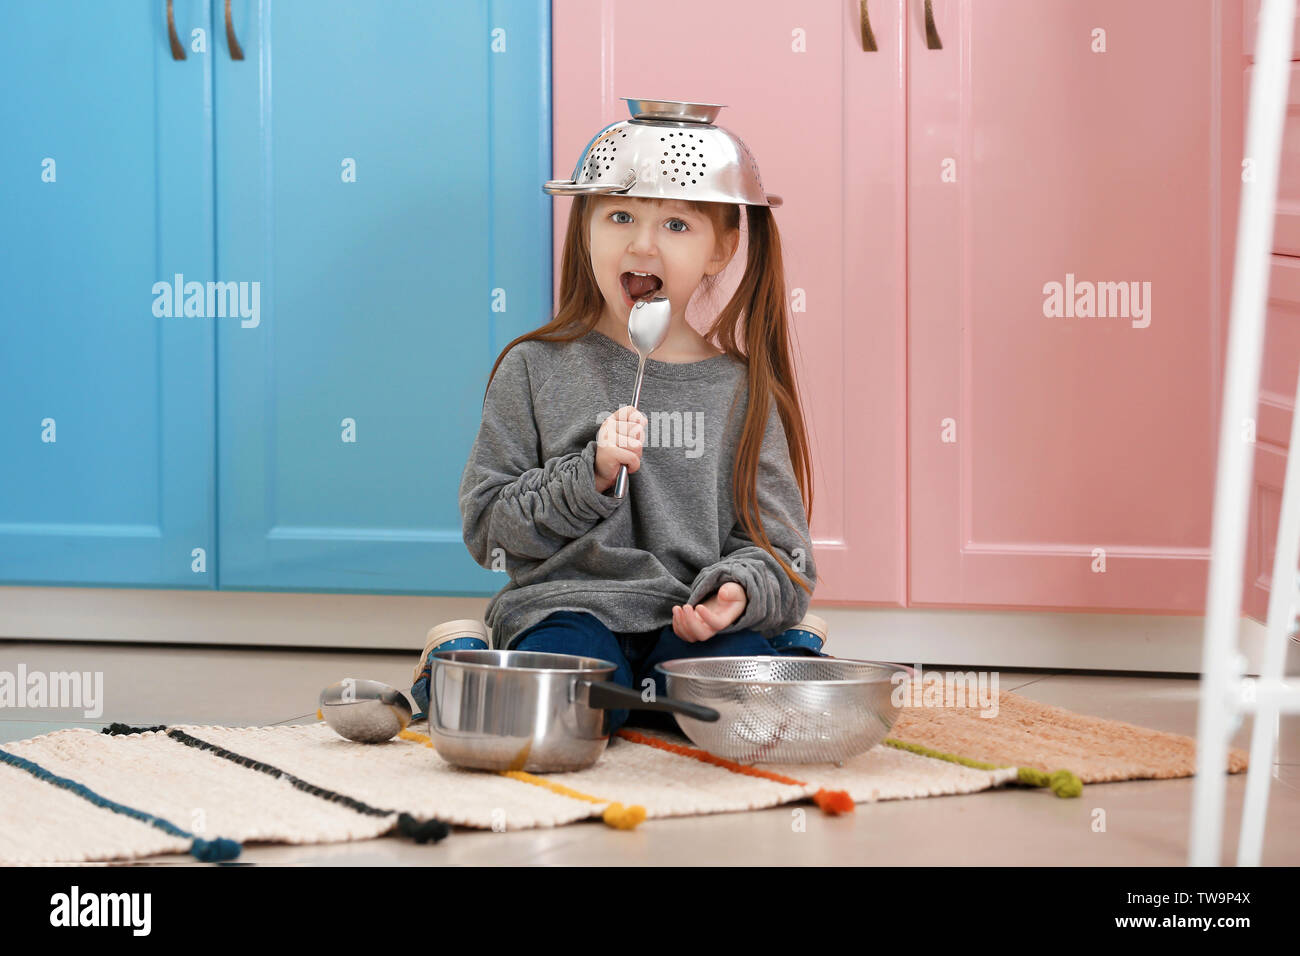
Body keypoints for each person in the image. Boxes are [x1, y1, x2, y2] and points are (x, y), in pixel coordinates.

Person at [450, 147, 821, 735]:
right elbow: (489, 530)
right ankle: (452, 659)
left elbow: (783, 554)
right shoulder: (533, 368)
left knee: (748, 714)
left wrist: (735, 595)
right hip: (567, 606)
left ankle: (792, 649)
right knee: (557, 711)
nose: (643, 246)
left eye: (676, 225)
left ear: (721, 249)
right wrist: (588, 476)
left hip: (689, 619)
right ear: (585, 231)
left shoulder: (742, 391)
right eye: (619, 217)